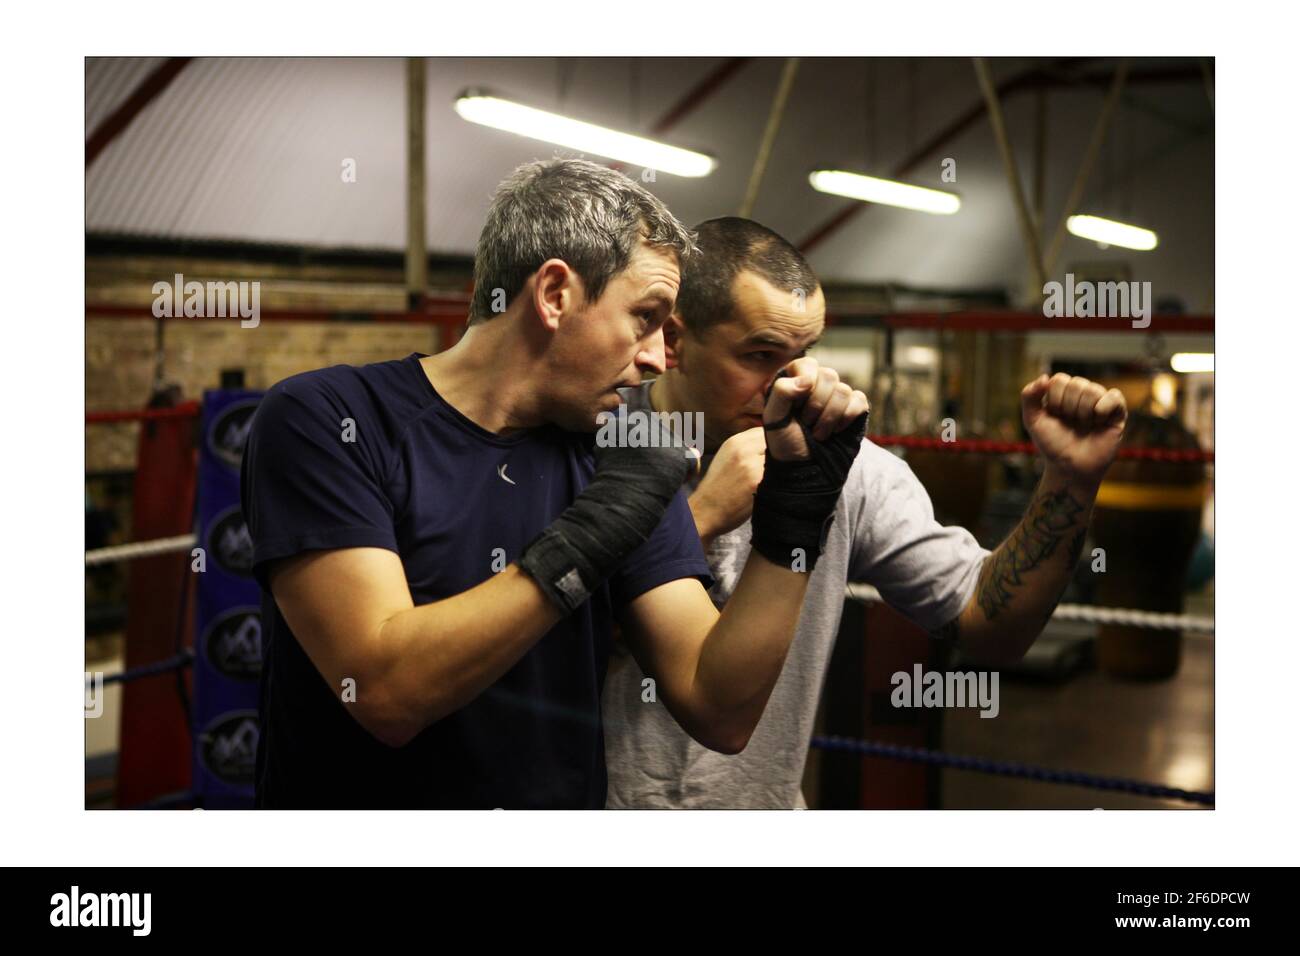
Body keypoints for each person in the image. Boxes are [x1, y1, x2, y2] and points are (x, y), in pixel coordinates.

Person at [240, 165, 868, 808]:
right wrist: (594, 533)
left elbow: (718, 708)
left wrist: (796, 511)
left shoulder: (621, 450)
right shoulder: (331, 419)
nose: (657, 357)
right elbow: (385, 693)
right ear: (555, 295)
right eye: (644, 317)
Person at [602, 217, 1128, 809]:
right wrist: (699, 518)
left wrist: (1070, 482)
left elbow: (991, 626)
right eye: (759, 354)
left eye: (803, 355)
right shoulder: (595, 441)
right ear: (674, 341)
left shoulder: (844, 468)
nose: (790, 383)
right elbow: (541, 638)